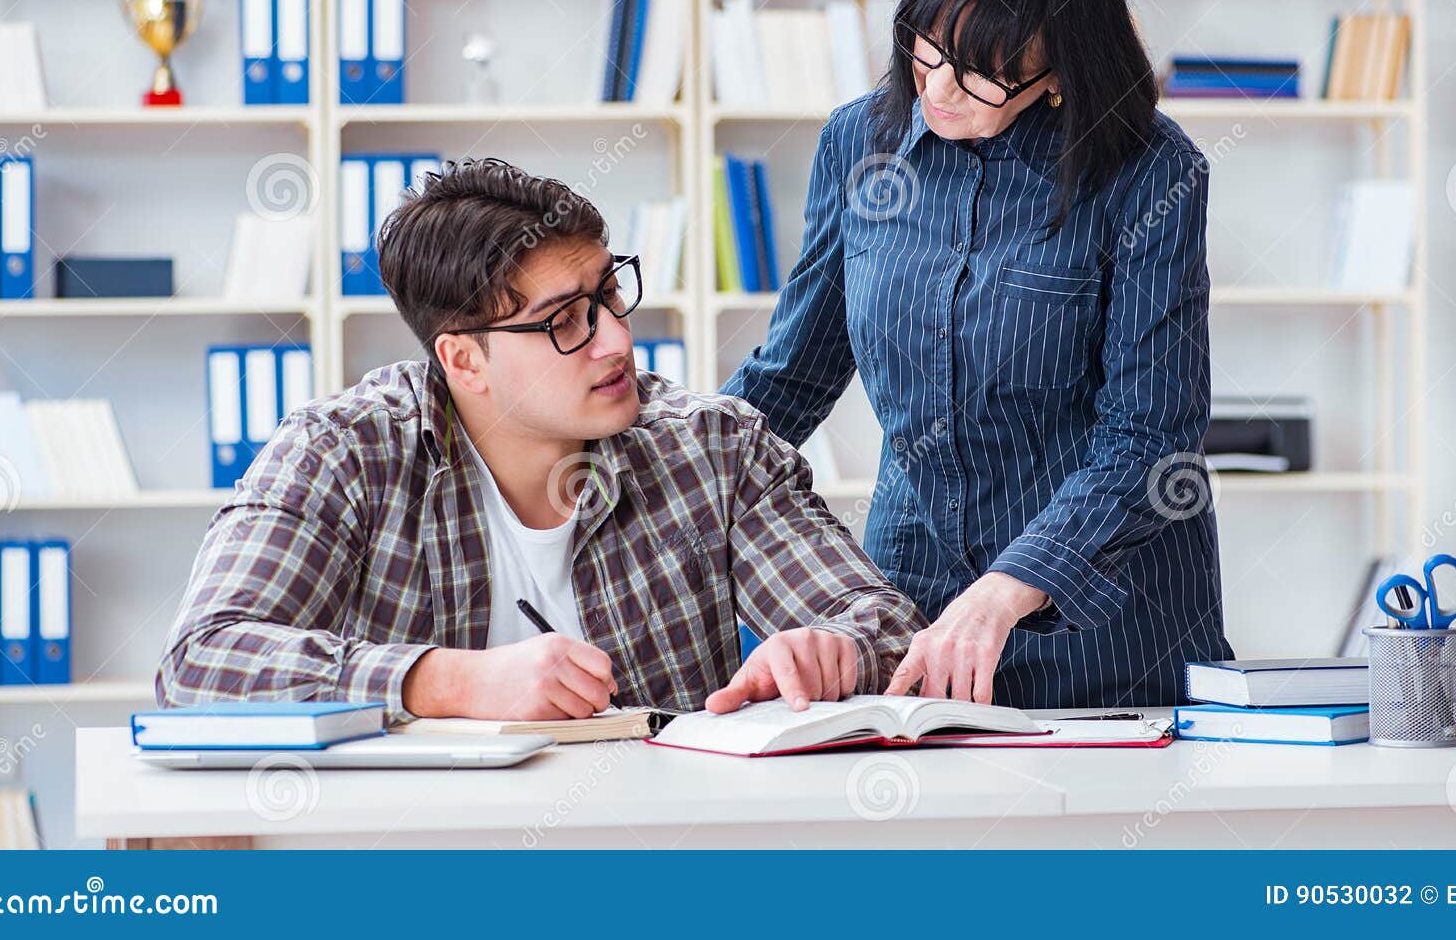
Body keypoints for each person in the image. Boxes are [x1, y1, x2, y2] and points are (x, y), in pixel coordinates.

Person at [157, 159, 923, 721]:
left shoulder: (714, 447)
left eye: (609, 294)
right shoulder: (343, 452)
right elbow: (201, 661)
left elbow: (886, 625)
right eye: (563, 322)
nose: (616, 340)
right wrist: (448, 681)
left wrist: (836, 650)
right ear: (462, 358)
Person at [722, 0, 1232, 708]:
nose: (940, 88)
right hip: (912, 616)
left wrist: (1009, 587)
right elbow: (793, 374)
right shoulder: (861, 141)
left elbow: (1151, 433)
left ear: (1061, 71)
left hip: (1107, 636)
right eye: (927, 47)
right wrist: (665, 481)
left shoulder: (1151, 172)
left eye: (982, 74)